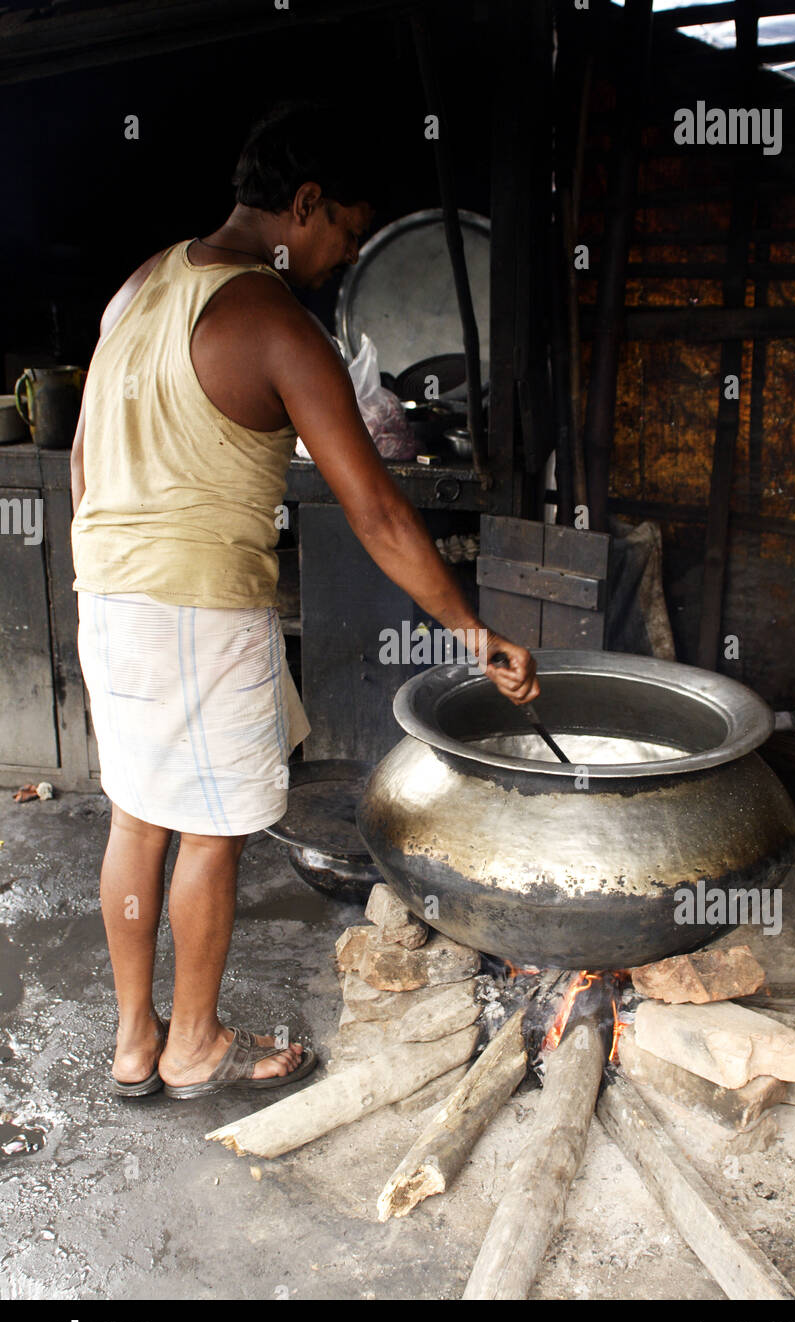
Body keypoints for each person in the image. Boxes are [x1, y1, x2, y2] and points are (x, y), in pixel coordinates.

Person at [70, 104, 539, 1102]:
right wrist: (469, 626)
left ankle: (133, 1041)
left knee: (136, 814)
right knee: (207, 828)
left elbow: (79, 462)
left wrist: (125, 560)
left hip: (108, 592)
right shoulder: (273, 319)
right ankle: (193, 1044)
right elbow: (371, 506)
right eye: (346, 230)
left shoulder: (140, 286)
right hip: (196, 609)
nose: (345, 255)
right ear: (305, 203)